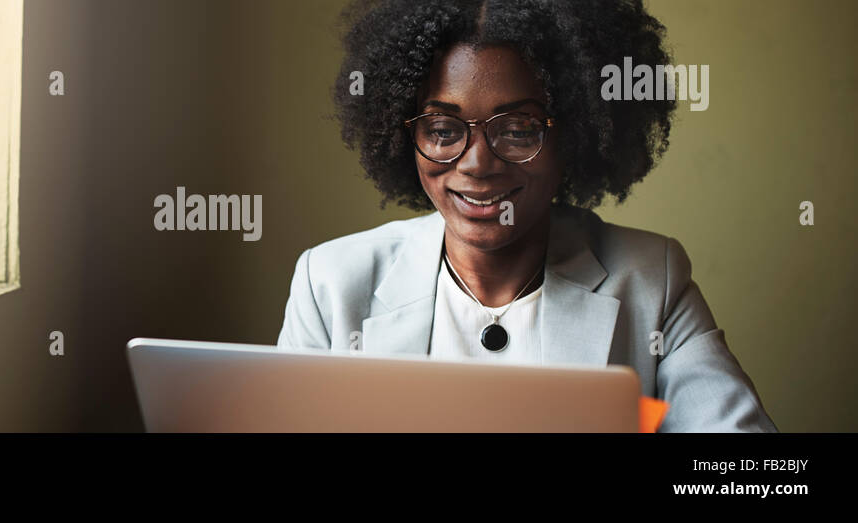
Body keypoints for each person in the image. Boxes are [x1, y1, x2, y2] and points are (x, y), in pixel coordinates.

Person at [276, 0, 776, 432]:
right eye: (443, 128)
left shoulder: (650, 280)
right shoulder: (331, 285)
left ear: (575, 135)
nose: (476, 163)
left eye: (518, 128)